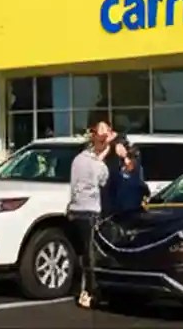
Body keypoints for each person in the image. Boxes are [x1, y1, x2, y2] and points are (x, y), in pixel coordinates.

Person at [68, 120, 112, 309]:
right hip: (91, 212)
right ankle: (90, 293)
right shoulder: (98, 165)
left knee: (79, 253)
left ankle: (78, 288)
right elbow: (103, 180)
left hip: (75, 210)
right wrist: (102, 158)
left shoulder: (77, 160)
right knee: (90, 255)